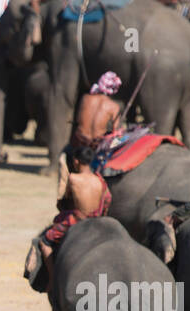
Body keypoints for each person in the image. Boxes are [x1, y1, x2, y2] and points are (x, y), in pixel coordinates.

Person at [38, 145, 110, 274]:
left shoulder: (73, 179)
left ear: (76, 161)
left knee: (45, 241)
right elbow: (107, 200)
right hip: (97, 221)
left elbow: (66, 198)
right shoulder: (100, 180)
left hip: (78, 220)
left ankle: (52, 278)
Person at [58, 71, 124, 200]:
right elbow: (117, 135)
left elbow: (79, 122)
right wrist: (115, 141)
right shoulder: (113, 107)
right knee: (123, 138)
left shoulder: (85, 98)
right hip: (95, 151)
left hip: (78, 146)